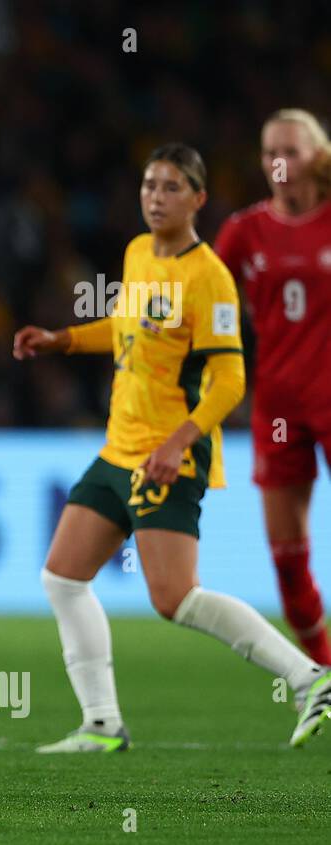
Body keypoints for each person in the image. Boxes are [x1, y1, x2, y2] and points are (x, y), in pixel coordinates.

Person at [13, 144, 331, 753]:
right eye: (149, 186)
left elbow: (232, 379)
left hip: (169, 455)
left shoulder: (208, 276)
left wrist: (179, 441)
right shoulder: (137, 253)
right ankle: (101, 723)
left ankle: (309, 677)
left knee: (174, 597)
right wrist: (63, 339)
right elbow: (127, 326)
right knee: (62, 577)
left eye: (171, 188)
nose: (155, 198)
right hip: (117, 450)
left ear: (198, 199)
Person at [215, 109, 331, 666]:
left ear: (318, 156)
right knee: (286, 557)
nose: (279, 163)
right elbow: (205, 306)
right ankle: (324, 675)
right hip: (277, 403)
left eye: (291, 150)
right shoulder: (243, 232)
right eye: (269, 153)